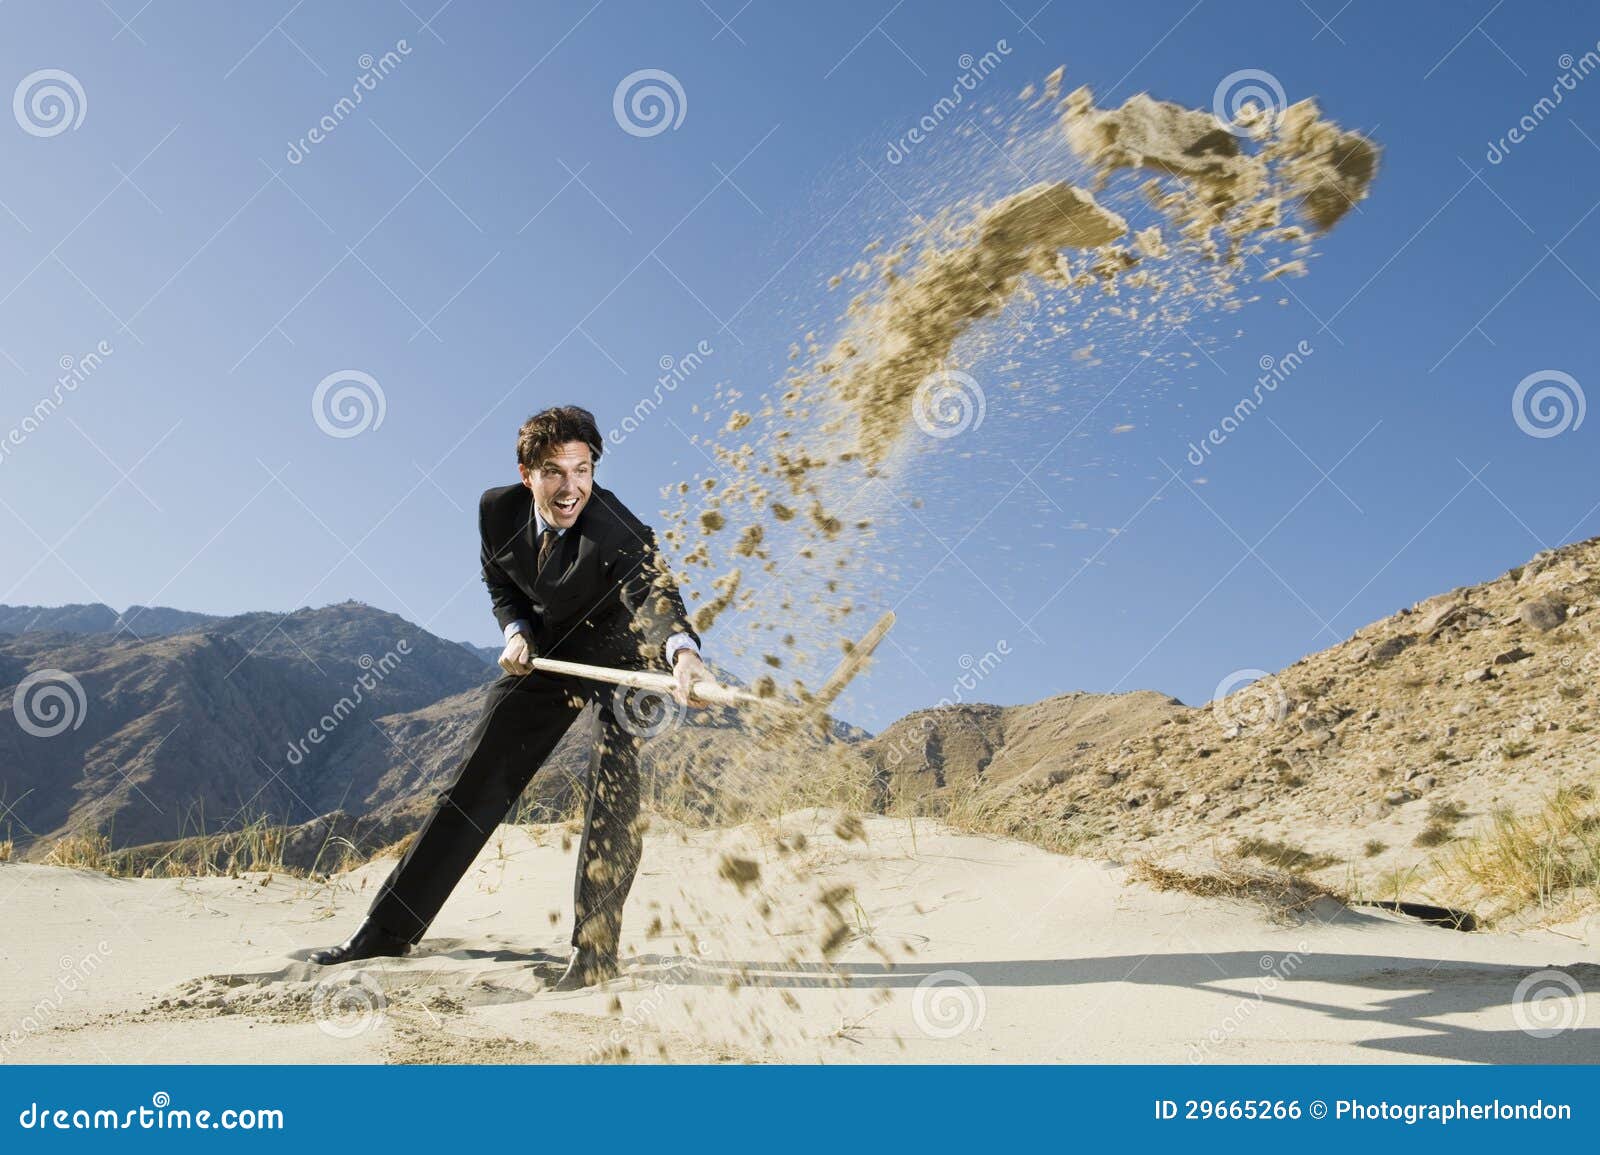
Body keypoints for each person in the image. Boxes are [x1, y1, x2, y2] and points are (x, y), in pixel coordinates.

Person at [309, 405, 709, 989]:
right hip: (552, 657)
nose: (571, 487)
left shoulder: (618, 528)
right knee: (475, 783)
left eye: (583, 469)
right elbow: (500, 580)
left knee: (613, 790)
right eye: (554, 471)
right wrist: (516, 630)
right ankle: (387, 932)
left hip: (629, 664)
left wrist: (684, 654)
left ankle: (595, 954)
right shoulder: (496, 511)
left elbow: (654, 594)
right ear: (527, 475)